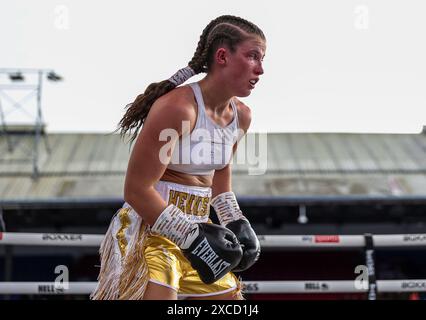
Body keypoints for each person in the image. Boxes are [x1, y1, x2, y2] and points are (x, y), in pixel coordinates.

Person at [91, 14, 266, 300]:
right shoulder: (178, 108)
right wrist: (191, 236)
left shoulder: (241, 117)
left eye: (262, 59)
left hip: (198, 229)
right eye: (253, 56)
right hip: (150, 231)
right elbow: (136, 189)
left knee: (231, 299)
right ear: (222, 56)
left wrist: (235, 221)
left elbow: (219, 185)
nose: (260, 69)